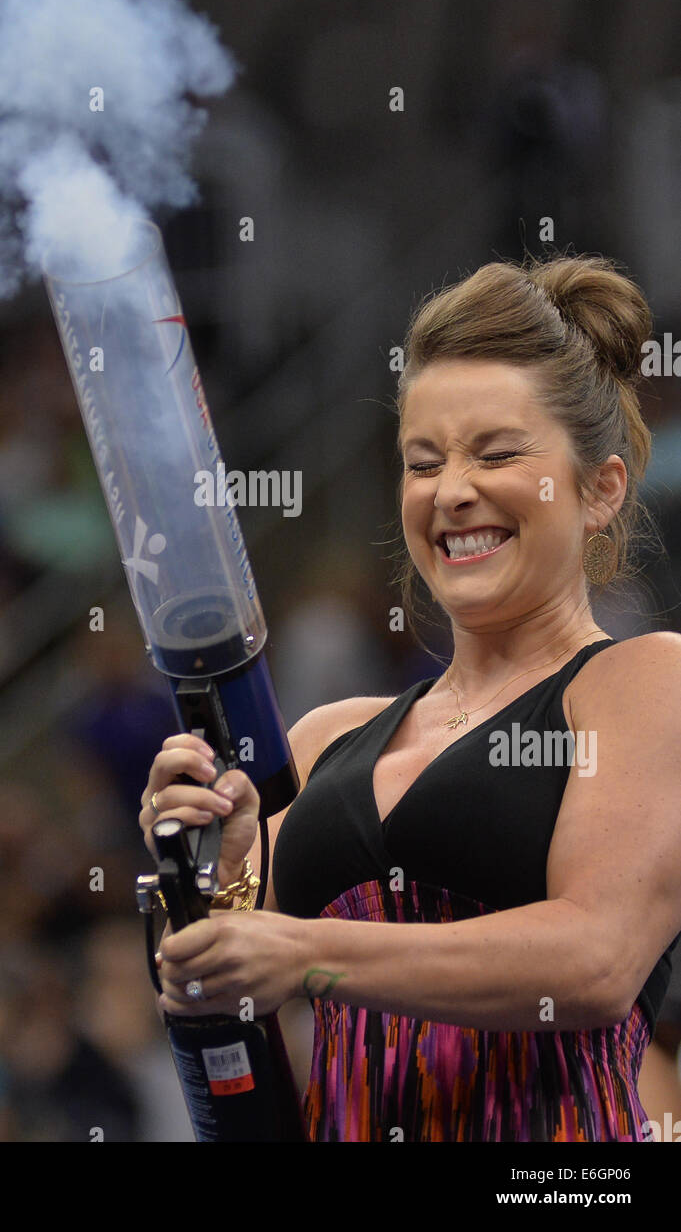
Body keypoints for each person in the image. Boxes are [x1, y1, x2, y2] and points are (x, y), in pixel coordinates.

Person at [139, 253, 681, 1142]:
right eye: (420, 462)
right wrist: (208, 881)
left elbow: (594, 961)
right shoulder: (324, 738)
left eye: (497, 454)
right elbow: (207, 1009)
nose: (451, 491)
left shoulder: (641, 684)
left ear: (599, 489)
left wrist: (306, 951)